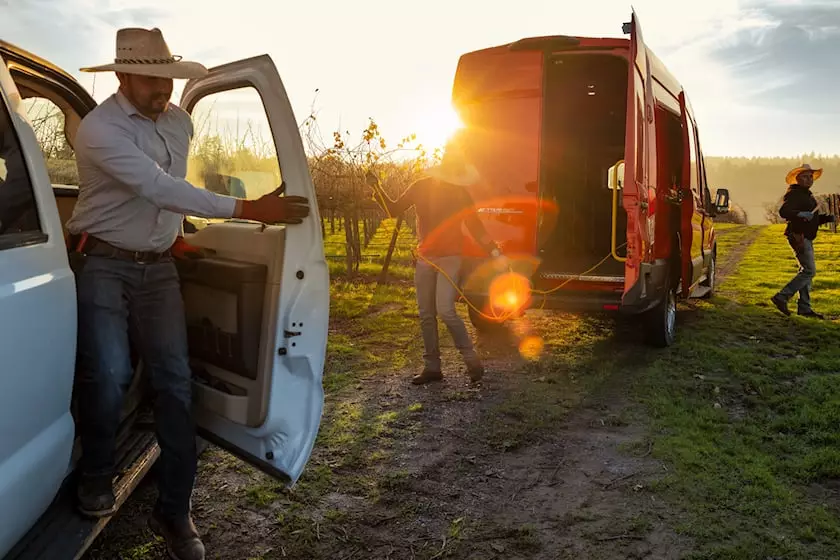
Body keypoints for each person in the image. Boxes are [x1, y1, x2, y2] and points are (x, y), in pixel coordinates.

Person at [68, 28, 309, 560]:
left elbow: (169, 194)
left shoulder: (179, 122)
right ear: (124, 76)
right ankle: (97, 472)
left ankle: (174, 509)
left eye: (170, 80)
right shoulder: (99, 129)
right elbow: (156, 185)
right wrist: (246, 210)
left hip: (158, 270)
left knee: (177, 385)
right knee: (106, 375)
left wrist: (173, 238)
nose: (166, 91)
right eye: (154, 80)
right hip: (104, 263)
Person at [367, 140, 503, 385]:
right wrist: (377, 189)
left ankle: (472, 361)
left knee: (445, 309)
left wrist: (494, 251)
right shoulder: (420, 187)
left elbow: (475, 225)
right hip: (425, 258)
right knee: (426, 314)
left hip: (450, 257)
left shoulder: (460, 193)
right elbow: (393, 210)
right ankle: (432, 368)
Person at [771, 163, 835, 319]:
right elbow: (784, 211)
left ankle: (804, 308)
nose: (809, 179)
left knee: (805, 271)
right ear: (797, 179)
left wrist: (826, 218)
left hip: (806, 236)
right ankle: (782, 296)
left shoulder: (806, 194)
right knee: (809, 271)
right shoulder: (793, 193)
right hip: (798, 236)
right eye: (805, 176)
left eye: (811, 176)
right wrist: (800, 214)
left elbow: (811, 219)